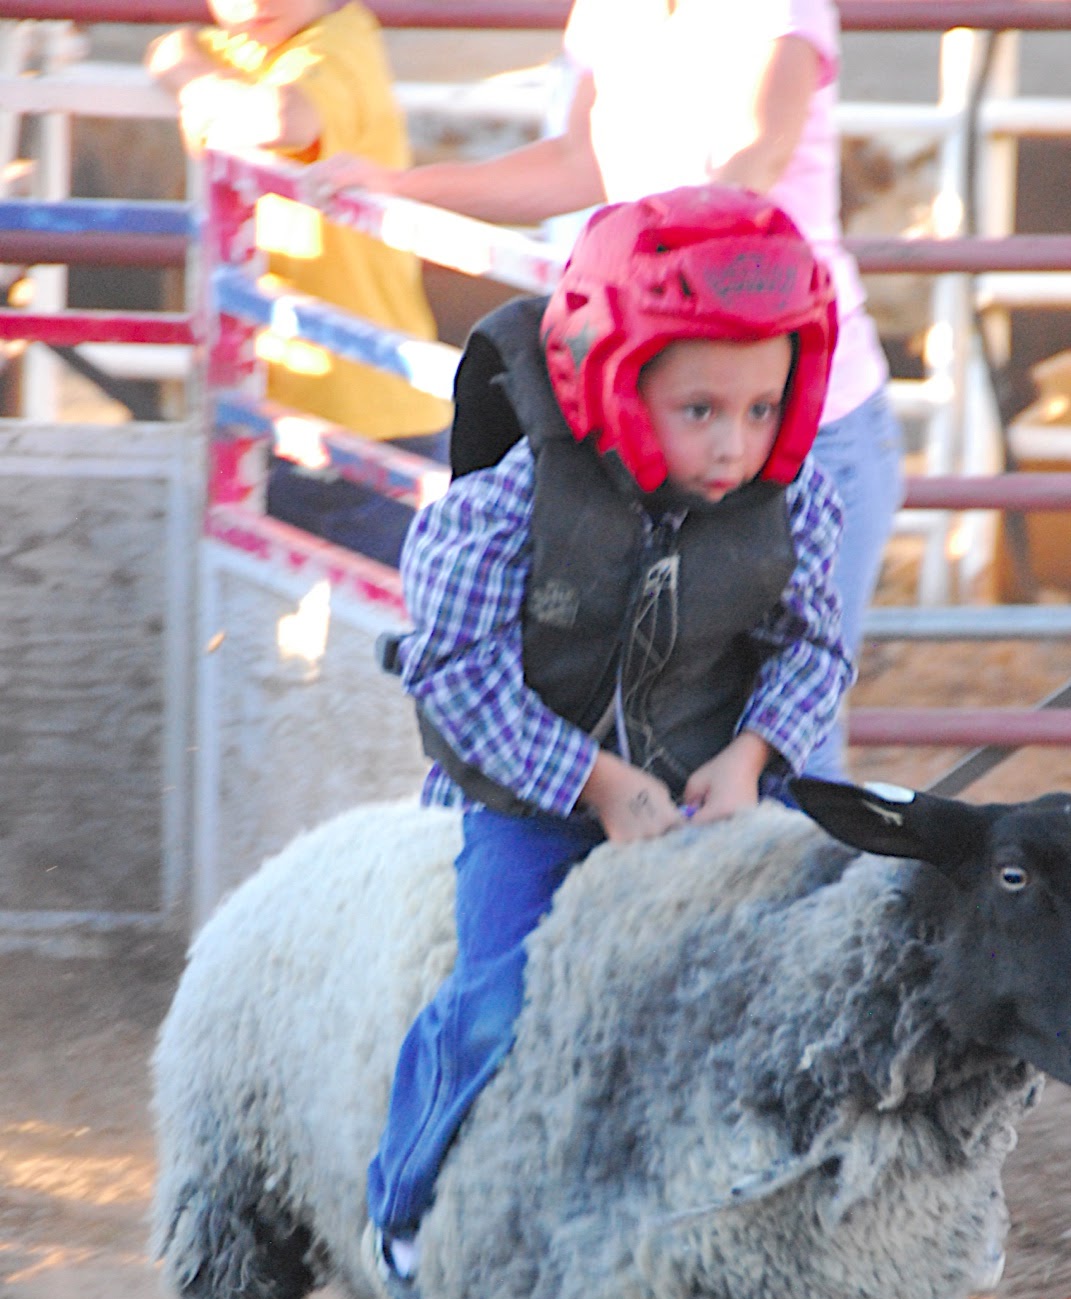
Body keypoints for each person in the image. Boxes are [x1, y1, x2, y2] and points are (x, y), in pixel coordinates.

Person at [363, 184, 853, 1299]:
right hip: (530, 801)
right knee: (498, 1002)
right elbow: (451, 674)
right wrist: (593, 782)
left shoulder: (798, 500)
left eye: (765, 407)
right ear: (611, 377)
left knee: (805, 975)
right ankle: (402, 1201)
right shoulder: (502, 509)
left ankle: (778, 1213)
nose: (738, 445)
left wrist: (753, 757)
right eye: (701, 411)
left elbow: (816, 648)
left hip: (707, 796)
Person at [316, 0, 901, 768]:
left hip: (788, 415)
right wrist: (400, 185)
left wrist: (651, 280)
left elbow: (753, 154)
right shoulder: (610, 9)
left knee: (780, 738)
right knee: (643, 705)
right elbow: (577, 162)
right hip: (646, 404)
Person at [146, 0, 452, 564]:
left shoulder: (338, 44)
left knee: (373, 623)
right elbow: (169, 48)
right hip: (289, 402)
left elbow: (281, 119)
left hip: (363, 412)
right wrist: (192, 69)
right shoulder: (253, 43)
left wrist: (195, 90)